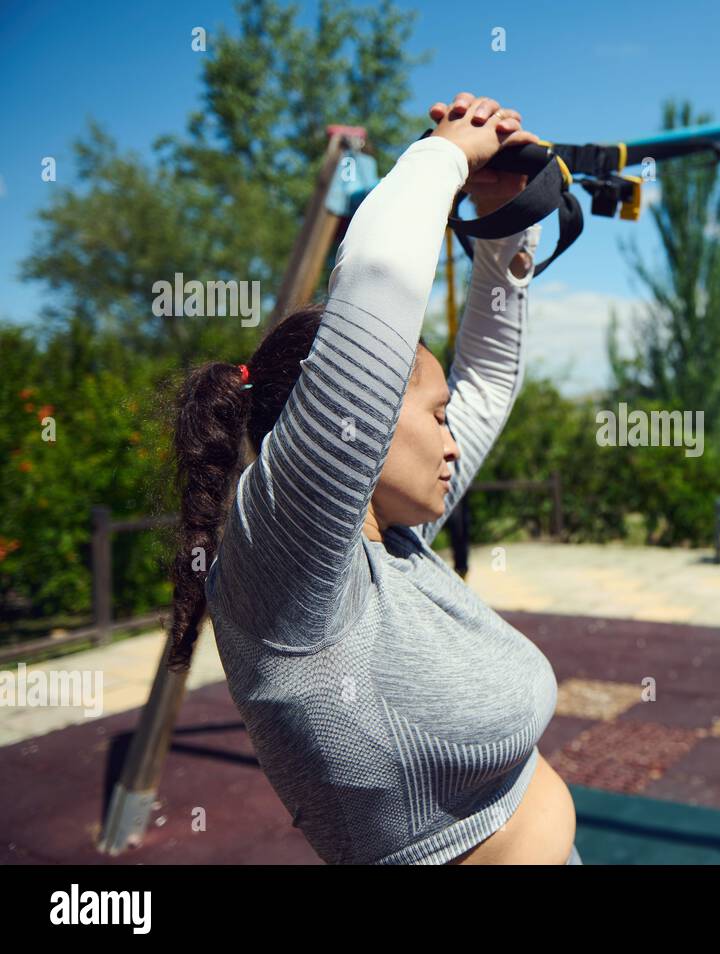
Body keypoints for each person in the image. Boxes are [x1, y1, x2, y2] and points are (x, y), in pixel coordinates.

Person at [165, 92, 580, 865]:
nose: (453, 437)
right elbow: (379, 284)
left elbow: (487, 377)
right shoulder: (291, 582)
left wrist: (504, 224)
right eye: (434, 414)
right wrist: (444, 154)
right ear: (355, 423)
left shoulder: (391, 540)